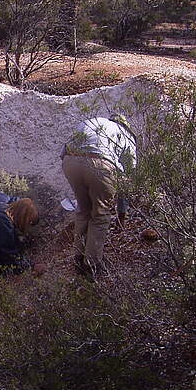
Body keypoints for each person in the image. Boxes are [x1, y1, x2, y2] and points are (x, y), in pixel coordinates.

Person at [61, 114, 137, 275]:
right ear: (125, 126)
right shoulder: (125, 135)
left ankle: (78, 257)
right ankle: (92, 264)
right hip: (100, 165)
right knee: (100, 214)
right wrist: (122, 213)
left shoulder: (91, 121)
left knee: (83, 210)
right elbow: (127, 179)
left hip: (70, 161)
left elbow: (63, 151)